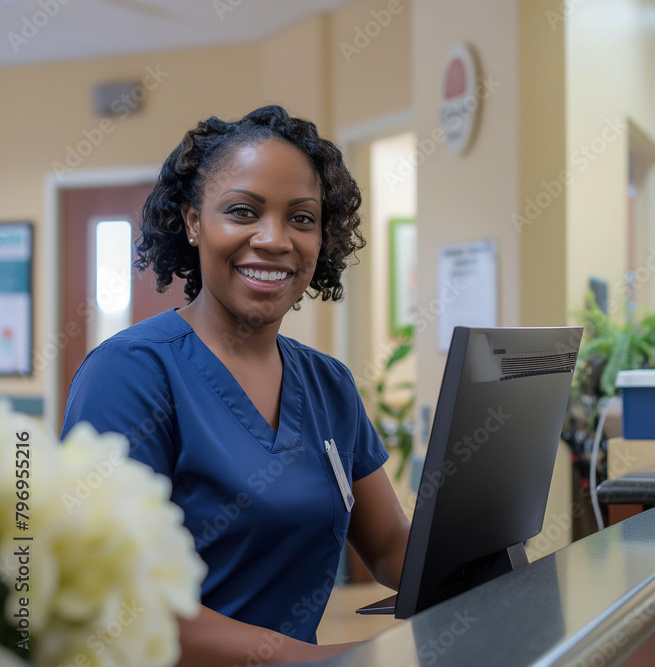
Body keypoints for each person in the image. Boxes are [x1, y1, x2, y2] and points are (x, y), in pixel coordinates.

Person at [62, 105, 411, 665]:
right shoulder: (130, 373)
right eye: (243, 211)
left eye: (302, 218)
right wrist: (338, 659)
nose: (274, 239)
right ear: (193, 221)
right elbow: (125, 605)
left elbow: (391, 545)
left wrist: (480, 560)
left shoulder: (329, 384)